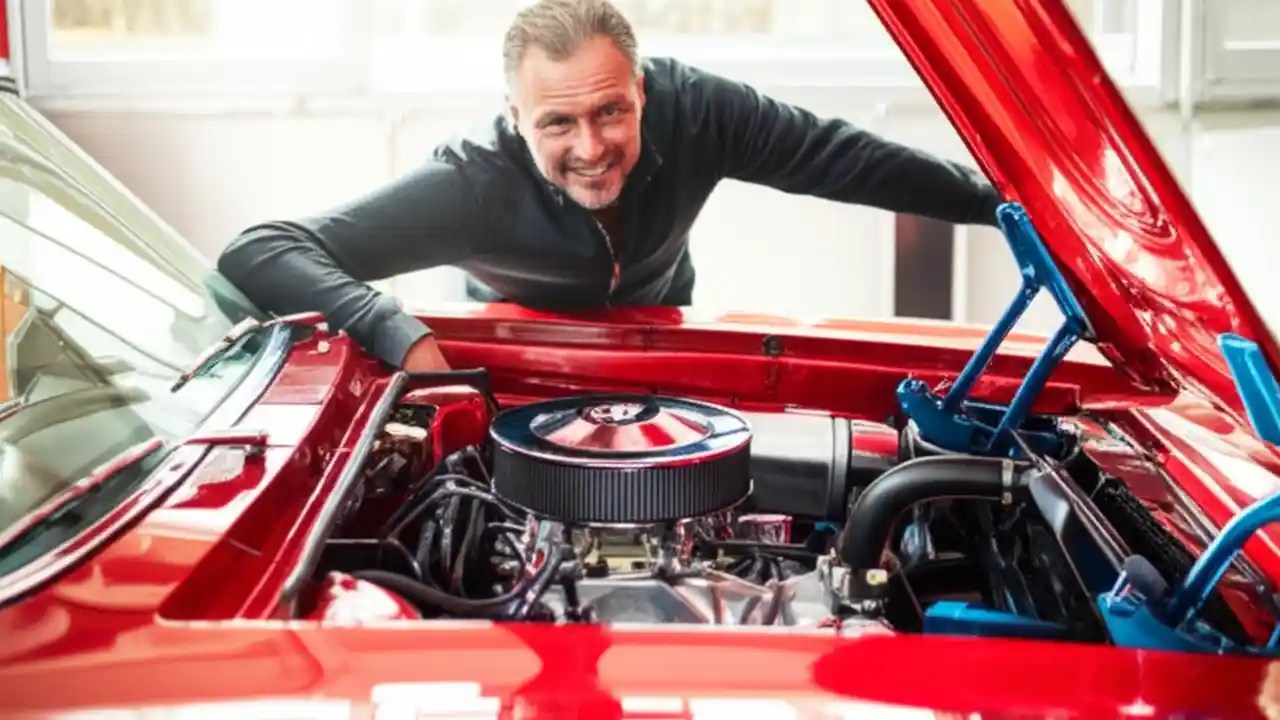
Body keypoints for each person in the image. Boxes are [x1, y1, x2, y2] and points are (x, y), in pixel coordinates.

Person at [216, 0, 1003, 373]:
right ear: (514, 117)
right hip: (527, 361)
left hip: (662, 331)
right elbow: (260, 251)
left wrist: (999, 206)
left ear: (642, 92)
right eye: (558, 123)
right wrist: (398, 331)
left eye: (611, 111)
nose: (591, 148)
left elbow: (844, 158)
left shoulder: (698, 111)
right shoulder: (471, 182)